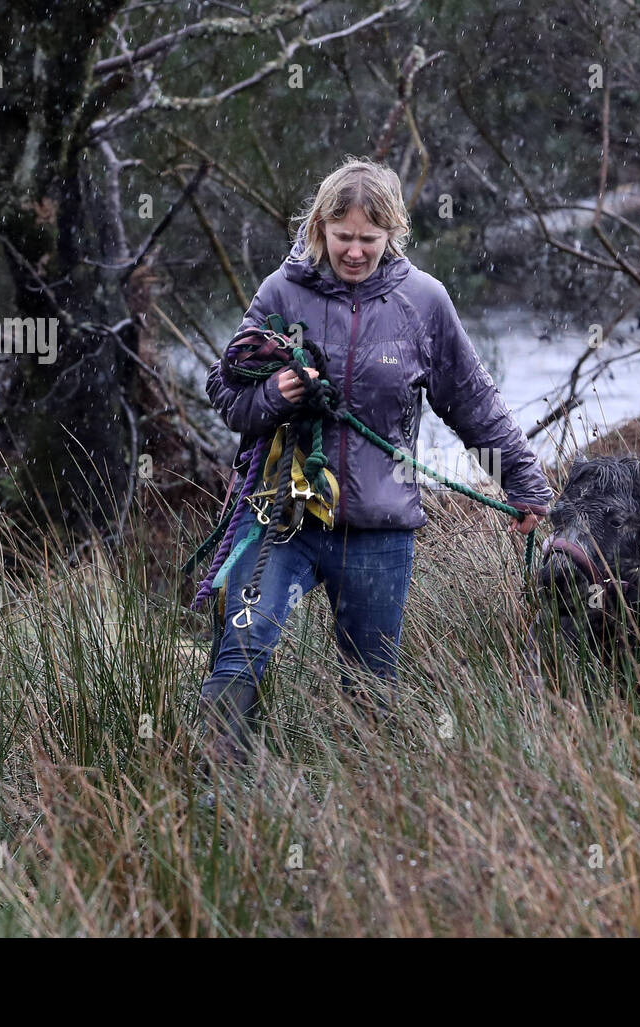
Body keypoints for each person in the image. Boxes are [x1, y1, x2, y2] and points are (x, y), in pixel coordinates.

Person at [199, 155, 552, 767]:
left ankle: (366, 815)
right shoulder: (281, 292)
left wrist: (523, 484)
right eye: (342, 238)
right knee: (243, 644)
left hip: (379, 532)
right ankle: (217, 793)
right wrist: (273, 395)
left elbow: (472, 402)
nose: (354, 251)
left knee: (370, 691)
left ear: (392, 236)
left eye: (368, 239)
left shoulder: (424, 302)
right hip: (281, 517)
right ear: (319, 230)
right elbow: (225, 392)